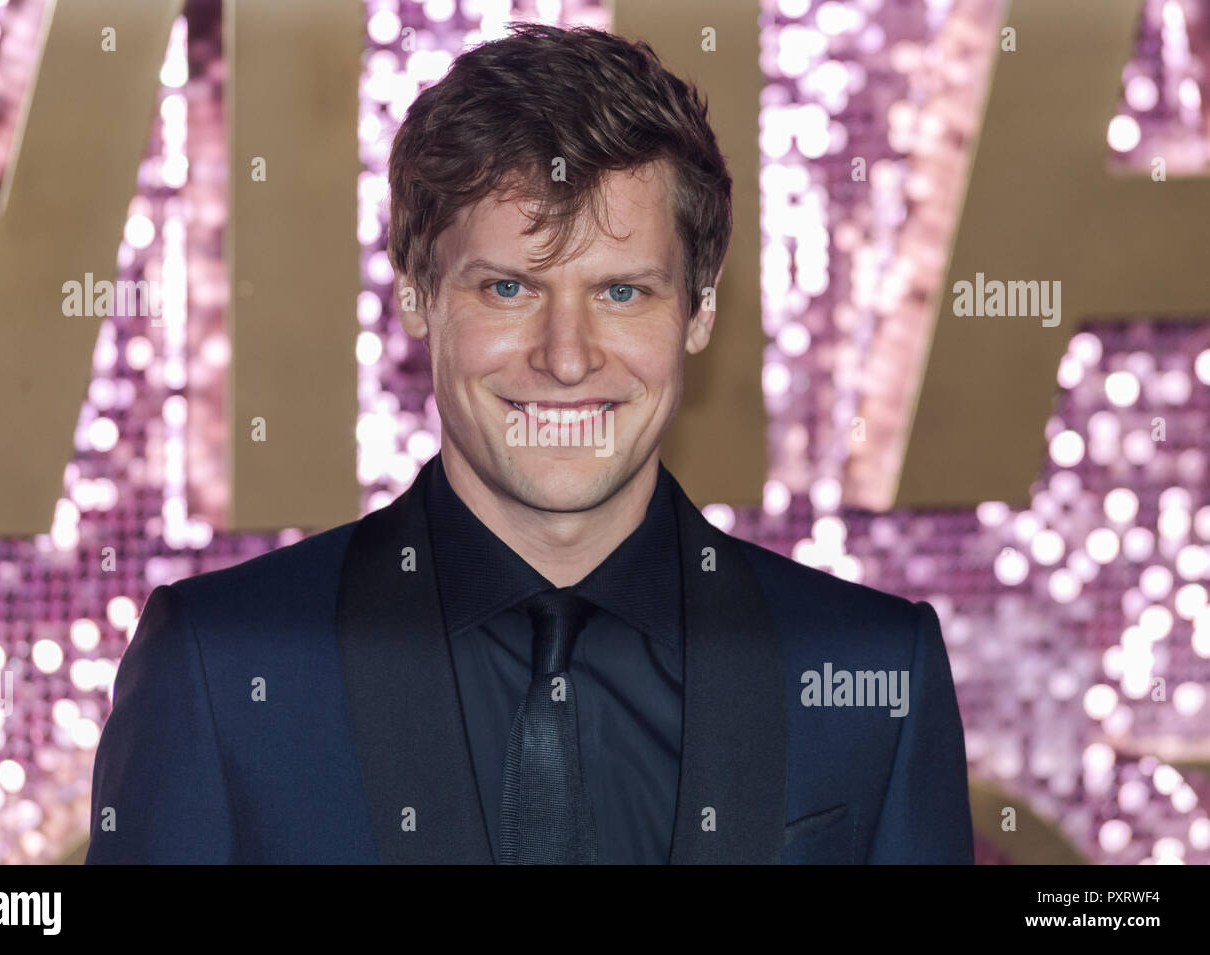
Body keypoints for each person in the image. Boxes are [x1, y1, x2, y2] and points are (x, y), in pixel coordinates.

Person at [87, 21, 972, 865]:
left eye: (622, 293)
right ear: (418, 298)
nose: (566, 356)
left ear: (700, 310)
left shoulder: (871, 672)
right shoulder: (222, 665)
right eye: (509, 288)